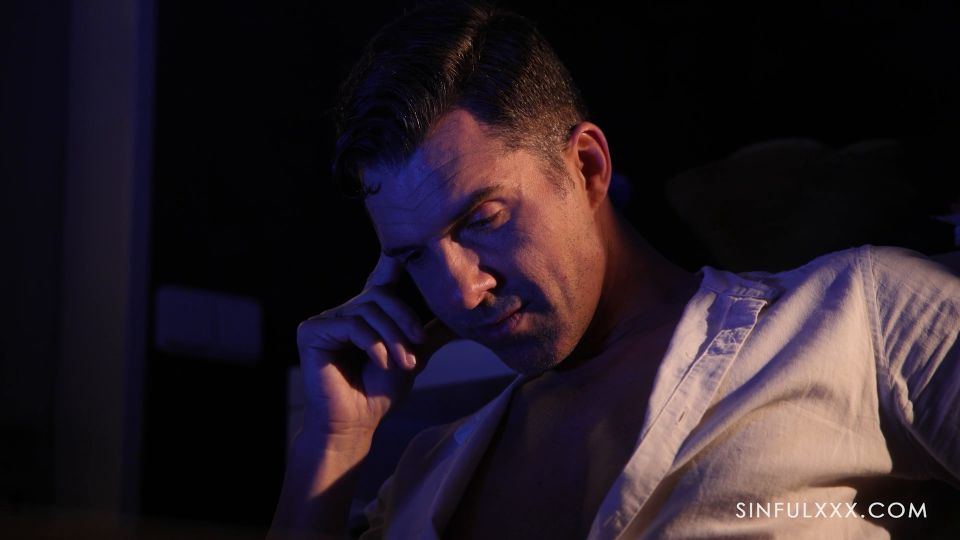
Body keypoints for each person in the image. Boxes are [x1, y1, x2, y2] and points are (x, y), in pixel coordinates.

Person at [268, 2, 960, 538]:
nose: (461, 292)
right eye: (415, 255)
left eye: (481, 219)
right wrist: (334, 442)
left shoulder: (857, 318)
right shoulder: (425, 475)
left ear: (587, 167)